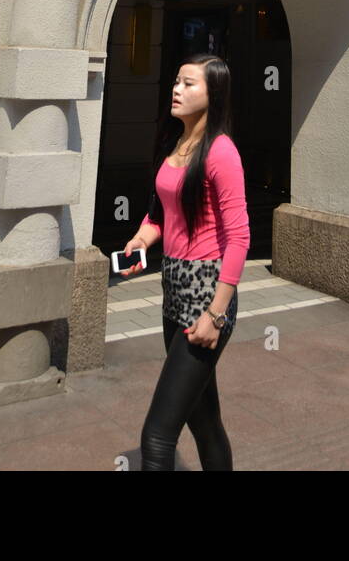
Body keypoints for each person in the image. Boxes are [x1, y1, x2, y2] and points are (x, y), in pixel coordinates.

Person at [121, 53, 250, 471]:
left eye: (189, 84)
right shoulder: (176, 144)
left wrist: (216, 313)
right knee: (205, 420)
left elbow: (239, 236)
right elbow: (161, 213)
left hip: (206, 296)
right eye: (177, 81)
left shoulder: (221, 152)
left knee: (157, 436)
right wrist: (141, 239)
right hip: (173, 288)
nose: (177, 89)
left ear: (213, 95)